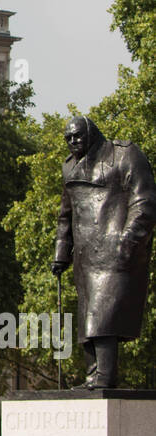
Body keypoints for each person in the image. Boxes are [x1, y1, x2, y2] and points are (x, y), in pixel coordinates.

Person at [51, 116, 156, 388]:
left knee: (104, 315)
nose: (73, 142)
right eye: (68, 138)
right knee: (88, 317)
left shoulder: (124, 154)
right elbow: (65, 216)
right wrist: (61, 253)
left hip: (116, 249)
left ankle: (104, 378)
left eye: (77, 135)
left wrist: (128, 240)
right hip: (85, 256)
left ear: (92, 133)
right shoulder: (69, 168)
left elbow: (144, 201)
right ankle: (93, 376)